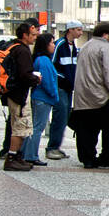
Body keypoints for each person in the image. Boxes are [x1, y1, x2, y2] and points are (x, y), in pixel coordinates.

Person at [72, 21, 109, 169]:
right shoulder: (105, 48)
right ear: (105, 34)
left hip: (84, 97)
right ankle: (107, 157)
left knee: (87, 130)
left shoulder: (85, 47)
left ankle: (88, 158)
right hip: (103, 97)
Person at [2, 22, 43, 172]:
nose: (35, 37)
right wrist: (36, 79)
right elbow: (24, 74)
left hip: (13, 92)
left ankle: (17, 156)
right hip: (19, 94)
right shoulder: (22, 51)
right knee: (20, 127)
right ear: (24, 35)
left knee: (19, 125)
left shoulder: (13, 47)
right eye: (32, 35)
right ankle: (12, 158)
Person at [21, 33, 59, 167]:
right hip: (43, 98)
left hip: (39, 97)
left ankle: (26, 152)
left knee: (34, 127)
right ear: (46, 45)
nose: (54, 45)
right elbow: (48, 82)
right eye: (52, 43)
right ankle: (31, 155)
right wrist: (55, 96)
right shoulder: (44, 60)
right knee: (37, 127)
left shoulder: (38, 59)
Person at [47, 19, 83, 160]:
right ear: (70, 30)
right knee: (60, 116)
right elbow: (52, 65)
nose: (80, 32)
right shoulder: (60, 45)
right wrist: (63, 79)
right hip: (61, 87)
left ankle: (56, 146)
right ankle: (52, 147)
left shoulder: (73, 46)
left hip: (68, 87)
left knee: (64, 116)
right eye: (78, 30)